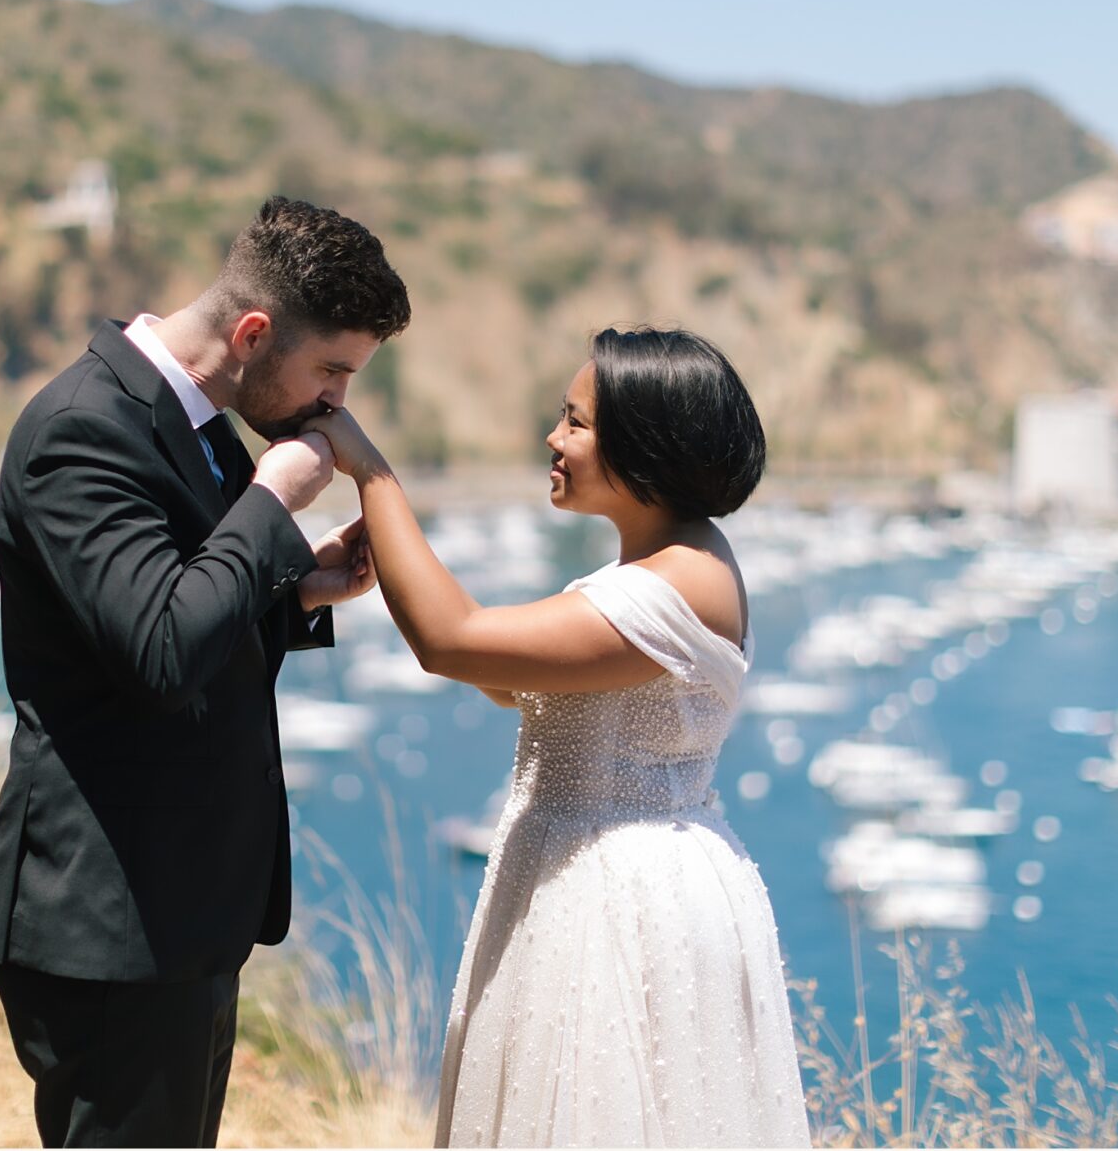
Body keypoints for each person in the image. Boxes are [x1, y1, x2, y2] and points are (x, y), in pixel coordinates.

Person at [0, 196, 410, 1148]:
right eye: (331, 369)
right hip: (108, 919)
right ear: (252, 332)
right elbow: (163, 653)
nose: (337, 400)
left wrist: (303, 592)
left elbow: (164, 615)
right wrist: (272, 501)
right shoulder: (82, 428)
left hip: (176, 909)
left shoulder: (199, 421)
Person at [307, 325, 810, 1148]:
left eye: (576, 422)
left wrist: (371, 473)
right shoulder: (667, 564)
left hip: (618, 901)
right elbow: (506, 675)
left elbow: (452, 640)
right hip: (592, 877)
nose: (554, 437)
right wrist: (405, 568)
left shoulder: (679, 581)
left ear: (646, 445)